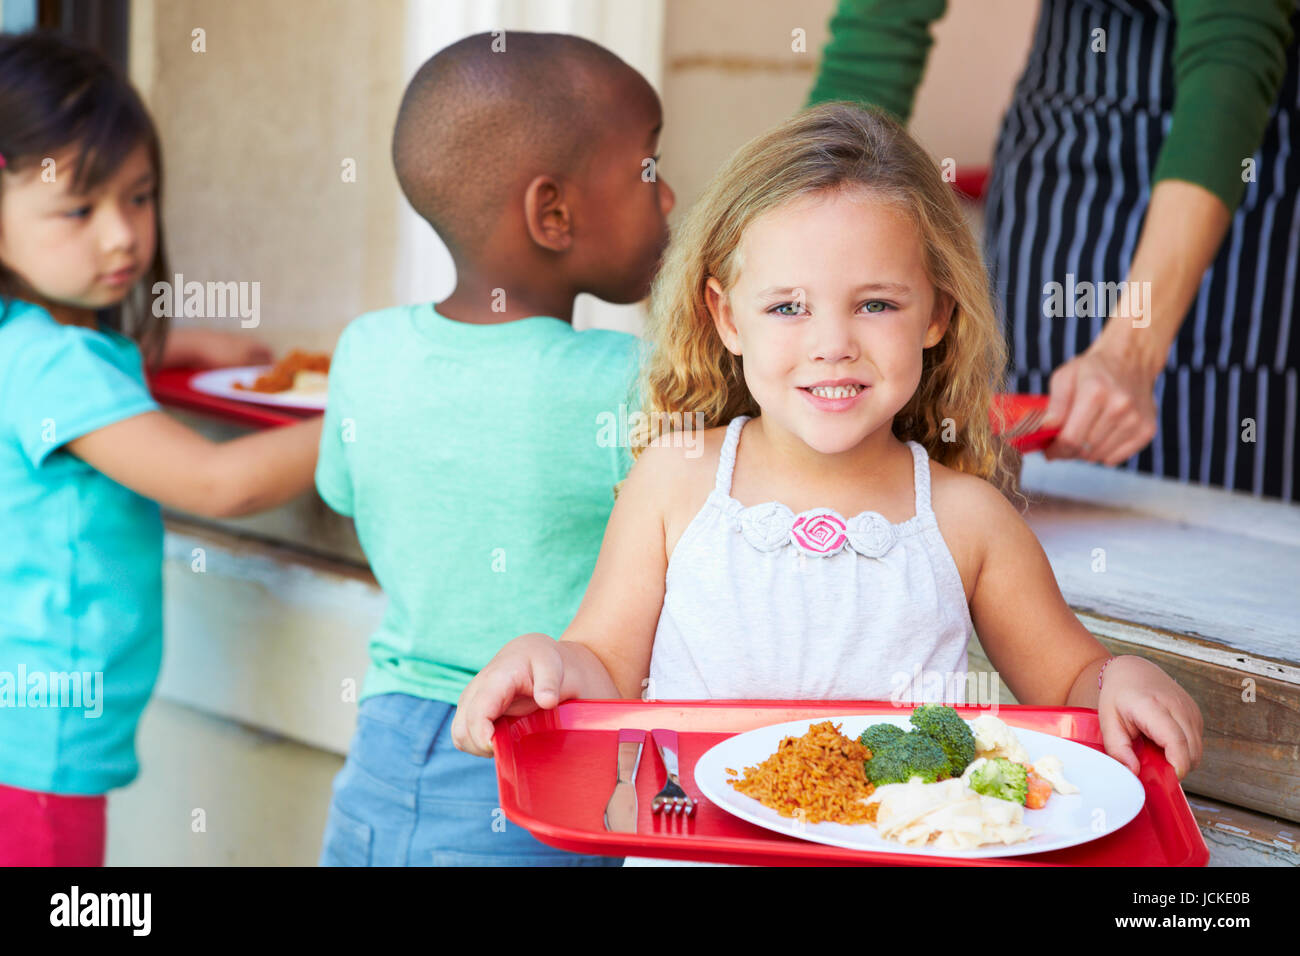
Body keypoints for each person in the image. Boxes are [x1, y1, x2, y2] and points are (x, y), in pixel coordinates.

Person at [453, 103, 1202, 803]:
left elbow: (1070, 675)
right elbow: (604, 666)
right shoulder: (675, 481)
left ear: (937, 313)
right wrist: (546, 664)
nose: (833, 345)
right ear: (727, 317)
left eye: (876, 303)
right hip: (702, 847)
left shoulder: (967, 517)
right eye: (787, 307)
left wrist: (1118, 678)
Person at [314, 31, 675, 866]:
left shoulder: (365, 350)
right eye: (648, 169)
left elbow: (343, 491)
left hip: (379, 752)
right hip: (530, 755)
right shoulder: (630, 384)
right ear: (554, 214)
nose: (668, 198)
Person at [0, 31, 323, 866]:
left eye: (138, 198)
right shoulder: (54, 364)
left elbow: (91, 382)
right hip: (40, 746)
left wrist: (179, 348)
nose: (121, 236)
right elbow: (214, 482)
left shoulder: (35, 338)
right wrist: (367, 414)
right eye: (79, 209)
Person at [809, 0, 1300, 501]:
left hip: (1230, 161)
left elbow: (1232, 48)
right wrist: (799, 227)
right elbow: (881, 25)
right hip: (1058, 160)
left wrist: (1131, 351)